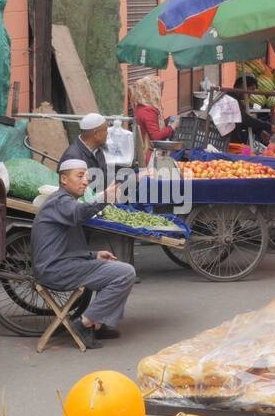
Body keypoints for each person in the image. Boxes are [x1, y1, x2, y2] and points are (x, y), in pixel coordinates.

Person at [31, 159, 136, 348]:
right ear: (64, 179)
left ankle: (98, 322)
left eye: (86, 176)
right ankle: (85, 323)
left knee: (114, 269)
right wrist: (105, 197)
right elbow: (79, 212)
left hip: (64, 264)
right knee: (125, 273)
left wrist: (94, 255)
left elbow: (69, 247)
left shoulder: (65, 201)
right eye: (79, 176)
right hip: (55, 270)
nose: (85, 181)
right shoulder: (60, 202)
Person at [60, 112, 109, 190]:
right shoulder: (73, 157)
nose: (107, 133)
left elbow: (105, 180)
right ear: (96, 134)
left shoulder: (98, 151)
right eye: (105, 130)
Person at [130, 76, 175, 163]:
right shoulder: (148, 111)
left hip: (141, 152)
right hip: (148, 156)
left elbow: (150, 127)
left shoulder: (140, 107)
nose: (160, 93)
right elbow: (156, 136)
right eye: (158, 89)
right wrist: (172, 127)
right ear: (151, 91)